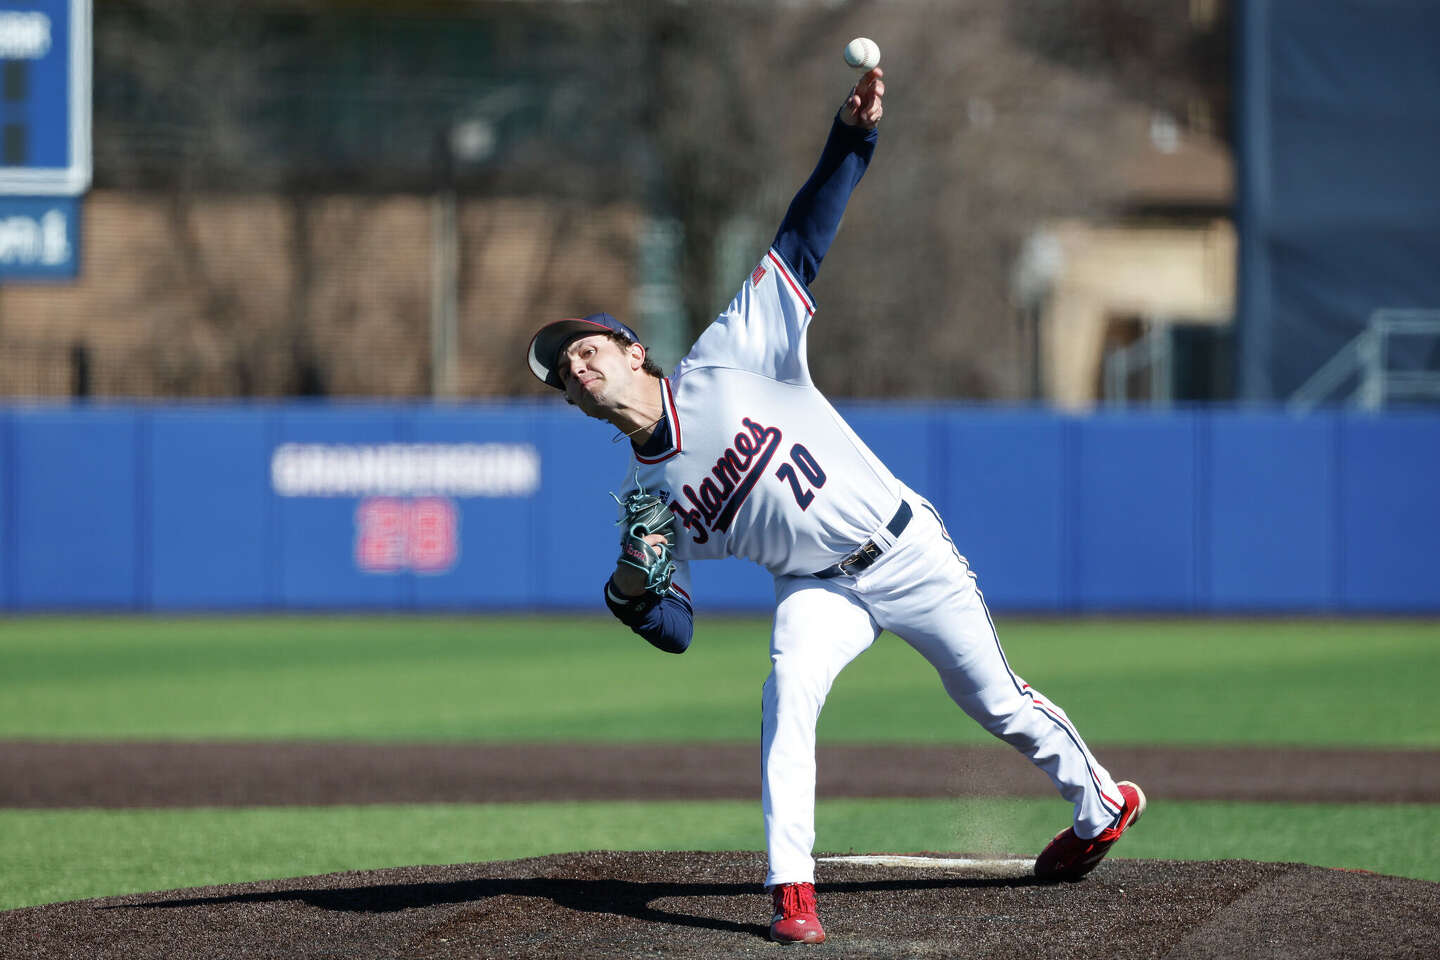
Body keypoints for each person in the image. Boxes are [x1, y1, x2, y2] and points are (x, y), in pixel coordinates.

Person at [525, 68, 1144, 946]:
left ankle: (1102, 807)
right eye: (565, 373)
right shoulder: (649, 502)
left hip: (905, 550)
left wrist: (853, 140)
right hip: (816, 588)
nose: (578, 368)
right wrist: (631, 583)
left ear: (632, 350)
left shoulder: (725, 358)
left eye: (587, 349)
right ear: (578, 406)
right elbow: (674, 629)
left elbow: (802, 239)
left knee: (997, 704)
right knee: (787, 694)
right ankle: (792, 894)